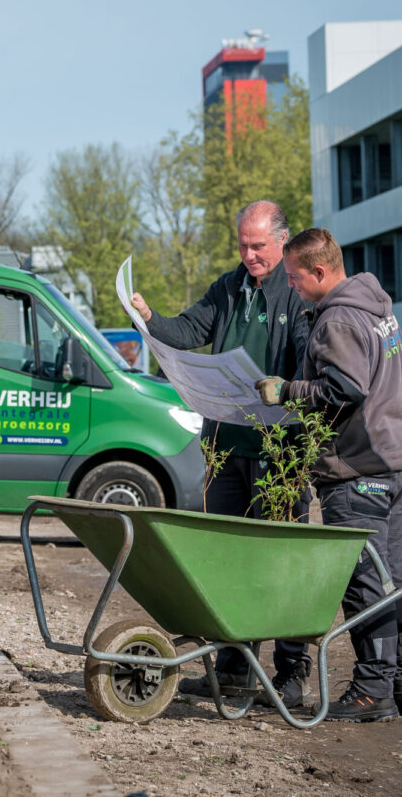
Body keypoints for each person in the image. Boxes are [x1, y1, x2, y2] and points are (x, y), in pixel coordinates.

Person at [131, 200, 312, 706]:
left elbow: (308, 359)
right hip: (226, 445)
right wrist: (149, 318)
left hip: (279, 452)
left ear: (281, 240)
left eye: (258, 246)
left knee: (280, 559)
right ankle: (234, 665)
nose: (250, 255)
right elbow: (189, 331)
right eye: (243, 245)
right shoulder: (229, 287)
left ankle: (292, 670)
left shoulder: (295, 292)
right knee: (230, 559)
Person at [257, 227, 402, 721]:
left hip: (356, 467)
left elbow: (345, 390)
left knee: (363, 584)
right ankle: (395, 681)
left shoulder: (337, 319)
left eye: (295, 278)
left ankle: (371, 692)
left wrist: (286, 392)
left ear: (320, 271)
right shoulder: (378, 307)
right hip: (393, 460)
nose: (291, 286)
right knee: (392, 580)